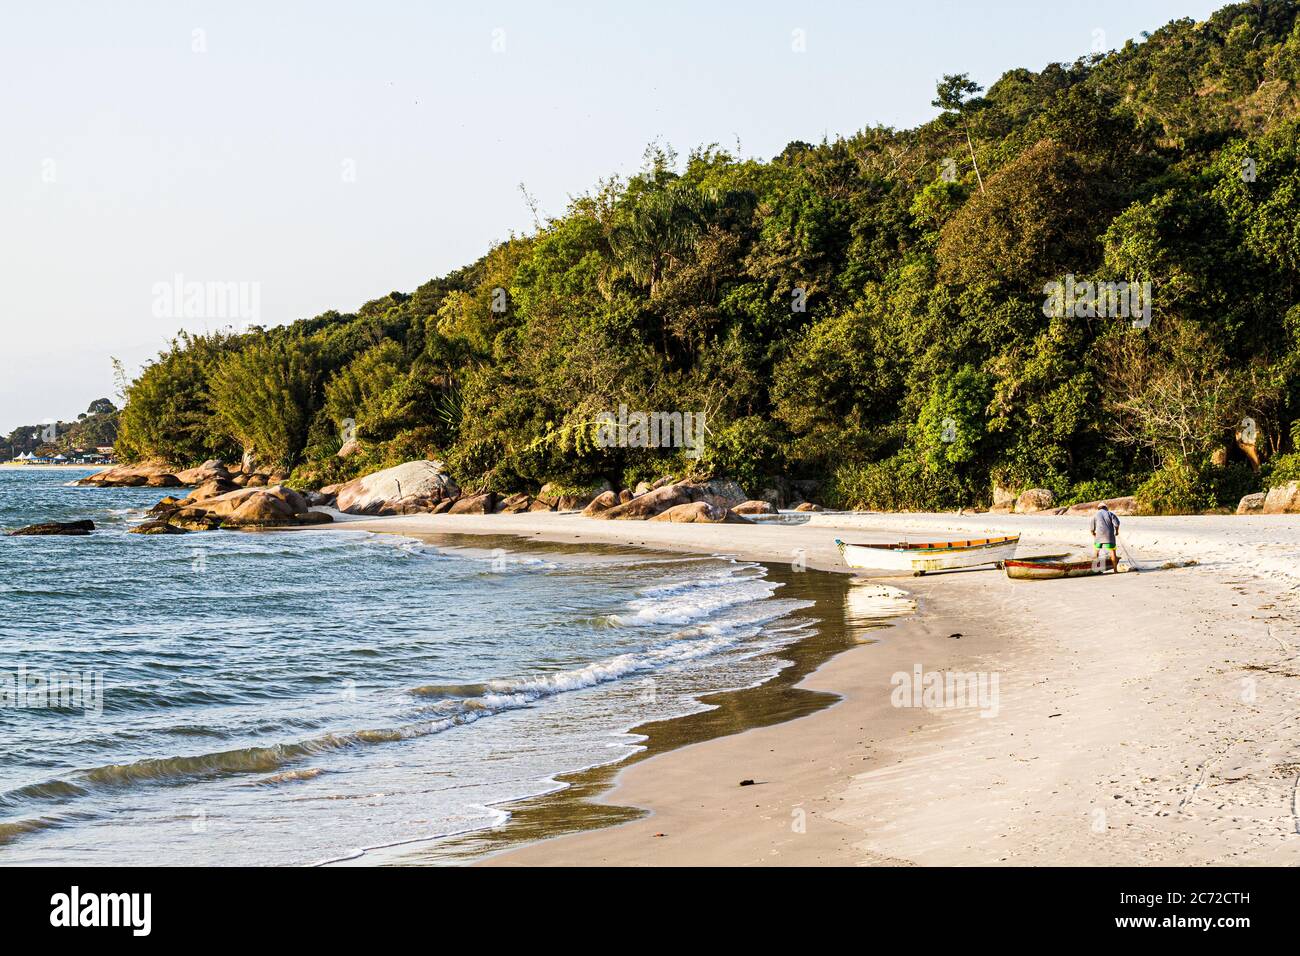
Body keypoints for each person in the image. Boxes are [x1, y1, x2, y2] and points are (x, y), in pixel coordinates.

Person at [1090, 503, 1121, 573]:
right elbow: (1117, 524)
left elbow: (1092, 528)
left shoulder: (1095, 515)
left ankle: (1095, 570)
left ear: (1098, 508)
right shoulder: (1110, 513)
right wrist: (1117, 531)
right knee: (1112, 552)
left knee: (1096, 552)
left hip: (1099, 536)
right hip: (1109, 536)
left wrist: (1093, 534)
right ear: (1106, 508)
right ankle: (1115, 570)